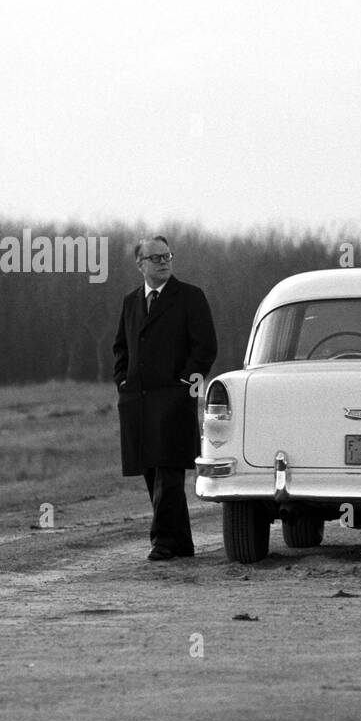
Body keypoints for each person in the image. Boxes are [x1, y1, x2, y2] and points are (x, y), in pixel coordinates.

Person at [113, 235, 217, 560]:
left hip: (173, 400)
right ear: (140, 264)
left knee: (168, 473)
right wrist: (123, 381)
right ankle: (181, 544)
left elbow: (206, 346)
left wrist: (186, 382)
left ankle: (162, 542)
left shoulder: (189, 297)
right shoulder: (131, 302)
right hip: (138, 403)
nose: (163, 261)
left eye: (167, 255)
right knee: (152, 473)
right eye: (155, 258)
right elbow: (121, 347)